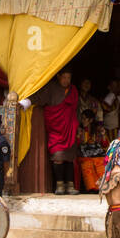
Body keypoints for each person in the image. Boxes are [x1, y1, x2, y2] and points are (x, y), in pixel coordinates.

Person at [35, 67, 80, 195]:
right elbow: (40, 99)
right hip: (56, 128)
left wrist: (78, 126)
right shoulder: (51, 88)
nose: (66, 80)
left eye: (69, 78)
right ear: (59, 77)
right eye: (64, 77)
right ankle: (59, 185)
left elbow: (76, 109)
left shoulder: (73, 90)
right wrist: (27, 101)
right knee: (58, 157)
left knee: (70, 158)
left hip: (69, 128)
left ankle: (70, 185)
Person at [77, 109, 110, 193]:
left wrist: (103, 135)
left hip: (98, 155)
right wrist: (79, 135)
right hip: (85, 156)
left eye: (85, 118)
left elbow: (105, 145)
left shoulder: (98, 130)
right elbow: (78, 144)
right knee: (88, 164)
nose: (83, 120)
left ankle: (103, 187)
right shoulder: (80, 130)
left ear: (91, 120)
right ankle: (92, 189)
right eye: (82, 118)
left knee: (100, 163)